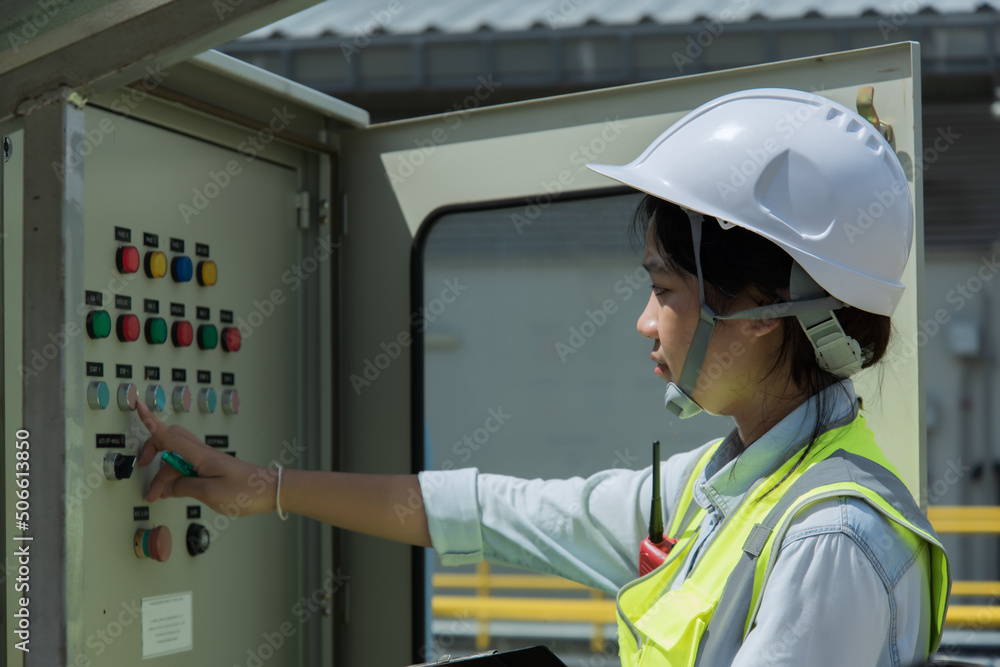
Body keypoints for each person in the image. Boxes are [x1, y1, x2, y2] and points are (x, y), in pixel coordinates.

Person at [136, 88, 951, 666]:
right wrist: (267, 487)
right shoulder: (721, 485)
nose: (644, 319)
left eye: (664, 290)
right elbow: (491, 510)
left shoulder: (826, 543)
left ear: (765, 312)